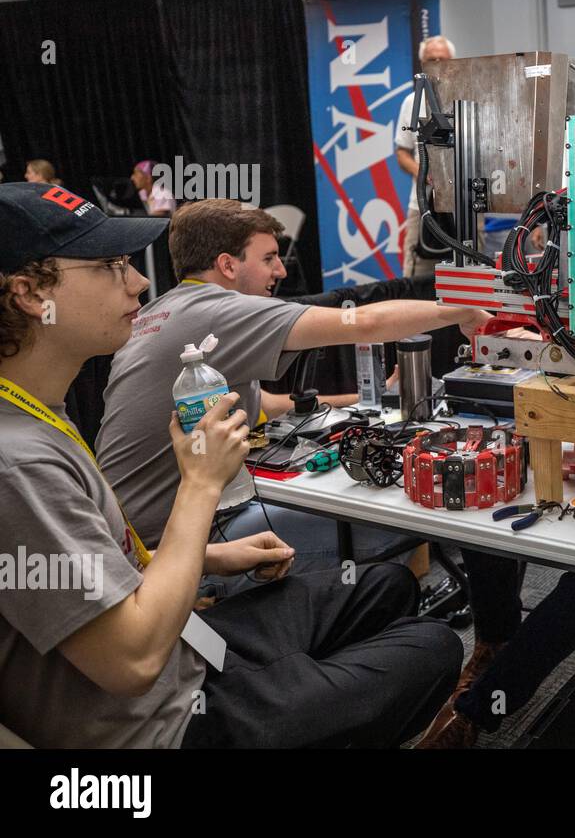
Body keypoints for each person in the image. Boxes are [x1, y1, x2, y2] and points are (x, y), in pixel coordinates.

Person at [0, 181, 461, 747]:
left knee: (385, 584)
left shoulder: (38, 412)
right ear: (29, 293)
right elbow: (131, 661)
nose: (139, 281)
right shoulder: (17, 463)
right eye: (111, 266)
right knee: (436, 646)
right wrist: (200, 483)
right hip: (162, 723)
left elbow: (91, 570)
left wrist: (211, 557)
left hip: (185, 649)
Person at [96, 198, 491, 585]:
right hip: (175, 546)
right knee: (402, 520)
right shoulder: (219, 310)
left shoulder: (162, 310)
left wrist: (367, 398)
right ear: (227, 265)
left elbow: (265, 404)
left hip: (130, 542)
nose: (281, 270)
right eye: (268, 258)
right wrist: (462, 310)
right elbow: (363, 322)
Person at [396, 35, 456, 278]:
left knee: (471, 273)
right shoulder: (411, 102)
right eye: (432, 60)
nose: (437, 64)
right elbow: (402, 152)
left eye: (443, 59)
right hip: (421, 204)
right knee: (416, 276)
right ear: (423, 63)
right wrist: (422, 173)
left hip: (463, 205)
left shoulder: (470, 97)